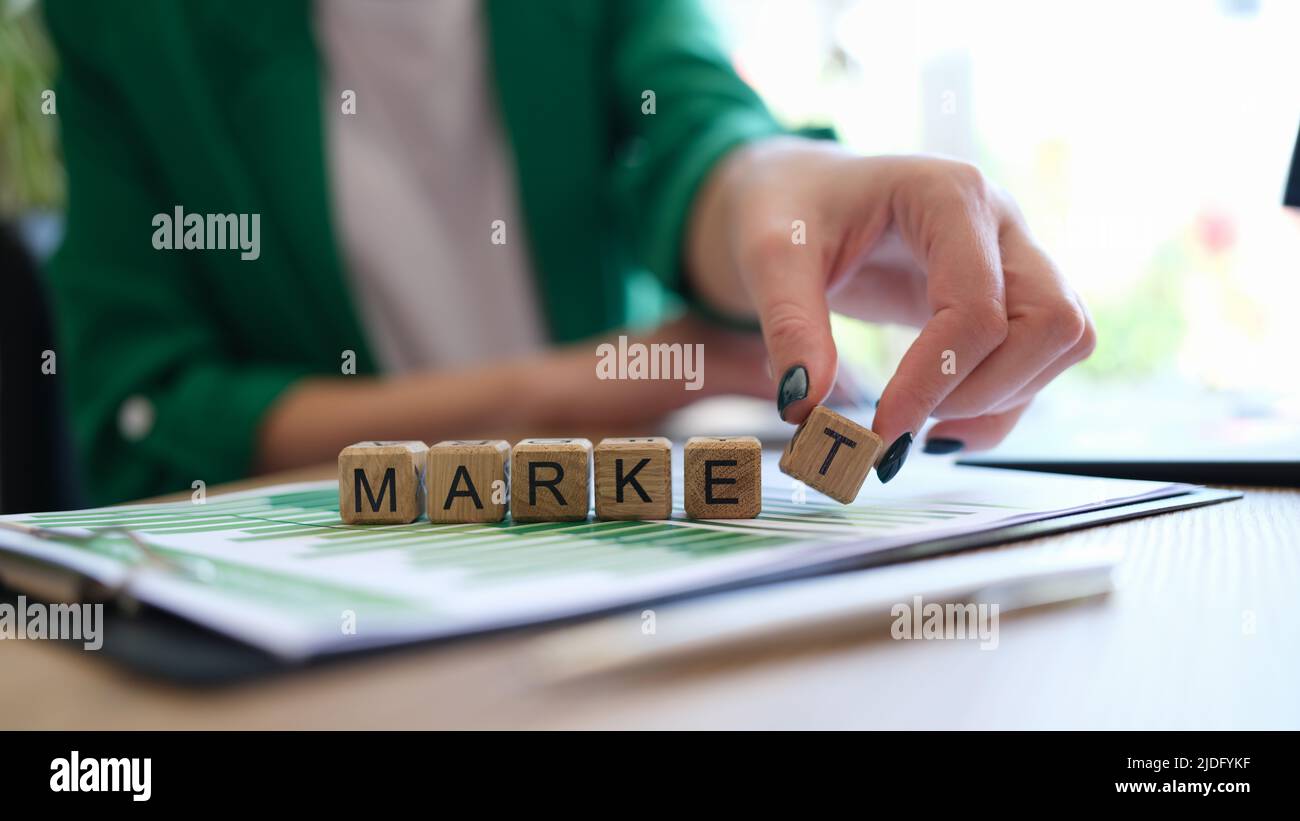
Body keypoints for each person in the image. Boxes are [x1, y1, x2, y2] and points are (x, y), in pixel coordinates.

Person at [44, 0, 1094, 505]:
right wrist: (593, 387)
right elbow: (147, 418)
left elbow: (691, 138)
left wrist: (779, 186)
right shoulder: (123, 28)